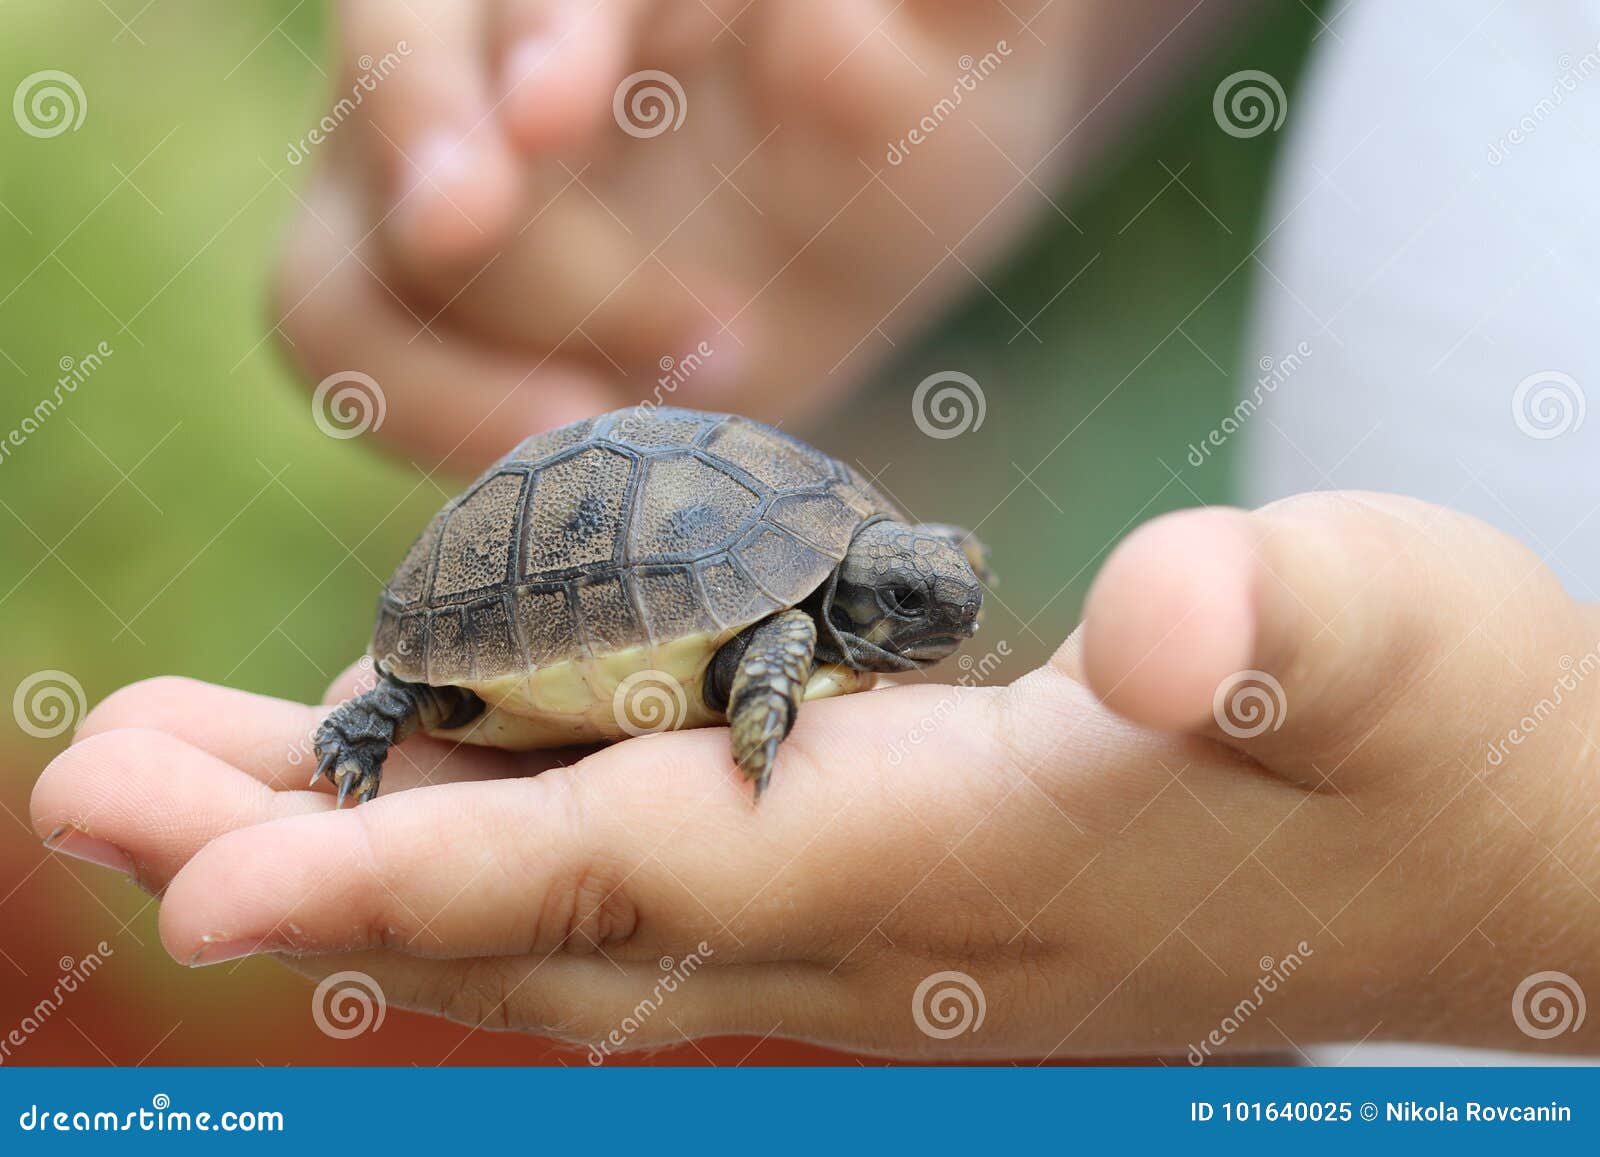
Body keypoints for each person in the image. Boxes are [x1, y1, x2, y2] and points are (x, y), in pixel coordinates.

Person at [31, 1, 1600, 1059]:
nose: (930, 617)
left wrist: (1532, 875)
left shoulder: (800, 622)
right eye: (911, 592)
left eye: (927, 600)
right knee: (422, 701)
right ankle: (391, 700)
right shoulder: (802, 587)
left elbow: (767, 632)